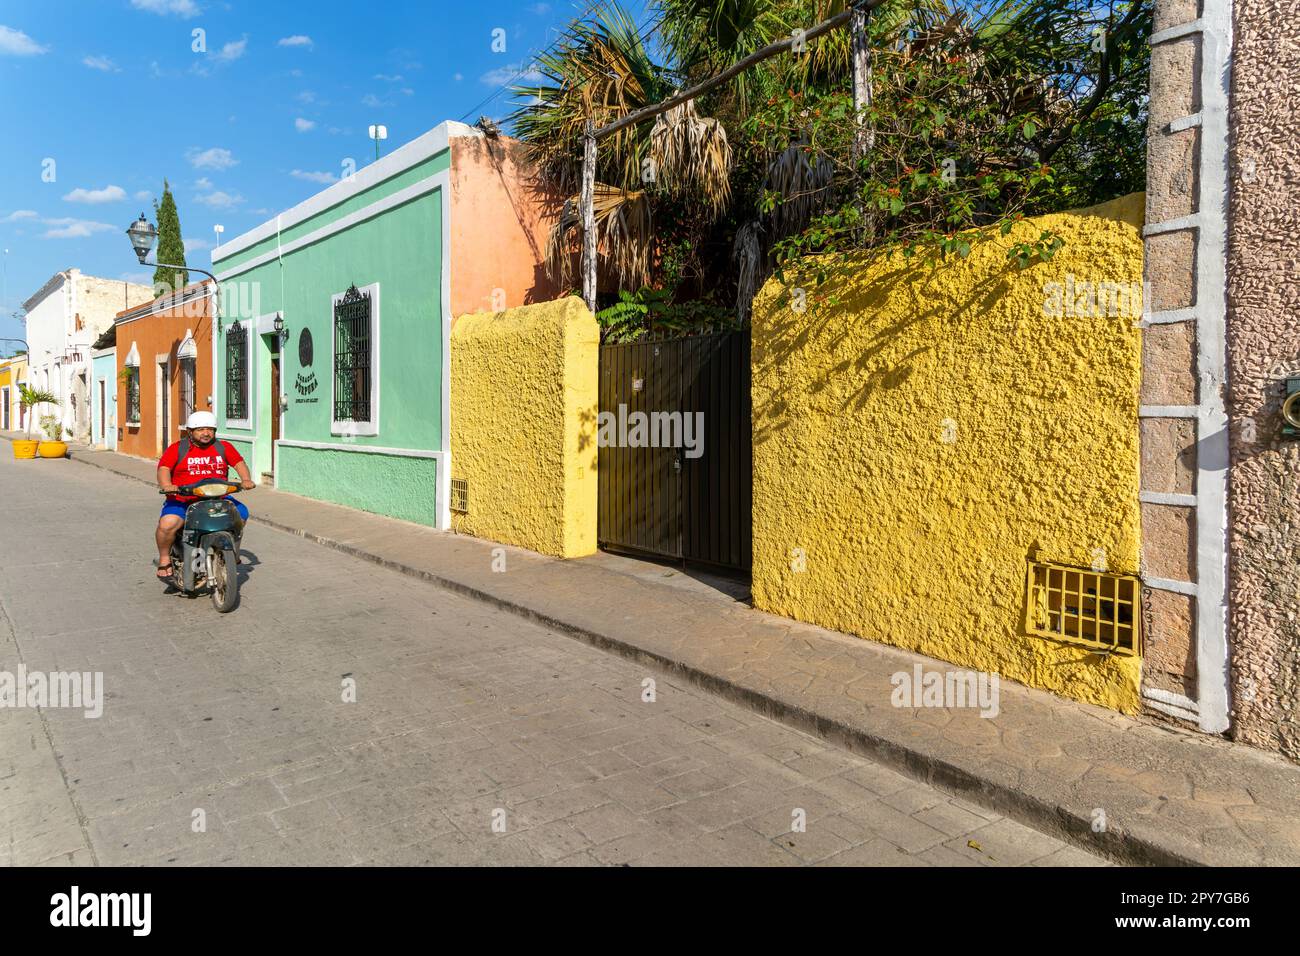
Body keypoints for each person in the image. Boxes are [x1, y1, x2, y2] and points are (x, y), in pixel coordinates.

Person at [155, 411, 255, 579]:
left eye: (210, 429)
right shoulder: (177, 448)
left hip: (217, 497)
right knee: (167, 524)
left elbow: (239, 463)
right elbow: (164, 468)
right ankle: (164, 557)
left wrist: (246, 479)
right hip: (183, 498)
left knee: (241, 514)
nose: (206, 433)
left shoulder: (223, 447)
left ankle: (234, 553)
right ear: (190, 431)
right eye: (200, 429)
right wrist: (167, 485)